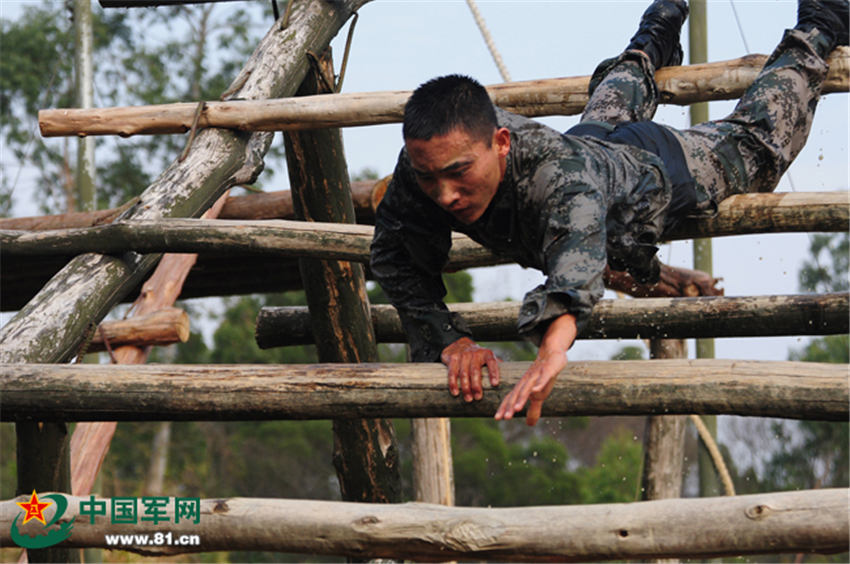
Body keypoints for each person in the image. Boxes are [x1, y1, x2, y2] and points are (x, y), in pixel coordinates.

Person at [370, 0, 848, 426]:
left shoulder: (560, 178)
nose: (446, 194)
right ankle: (657, 28)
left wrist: (552, 350)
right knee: (606, 116)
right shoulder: (422, 168)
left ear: (500, 142)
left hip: (650, 172)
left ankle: (819, 26)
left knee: (757, 144)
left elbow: (577, 254)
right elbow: (394, 257)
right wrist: (448, 339)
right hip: (592, 147)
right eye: (431, 177)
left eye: (459, 173)